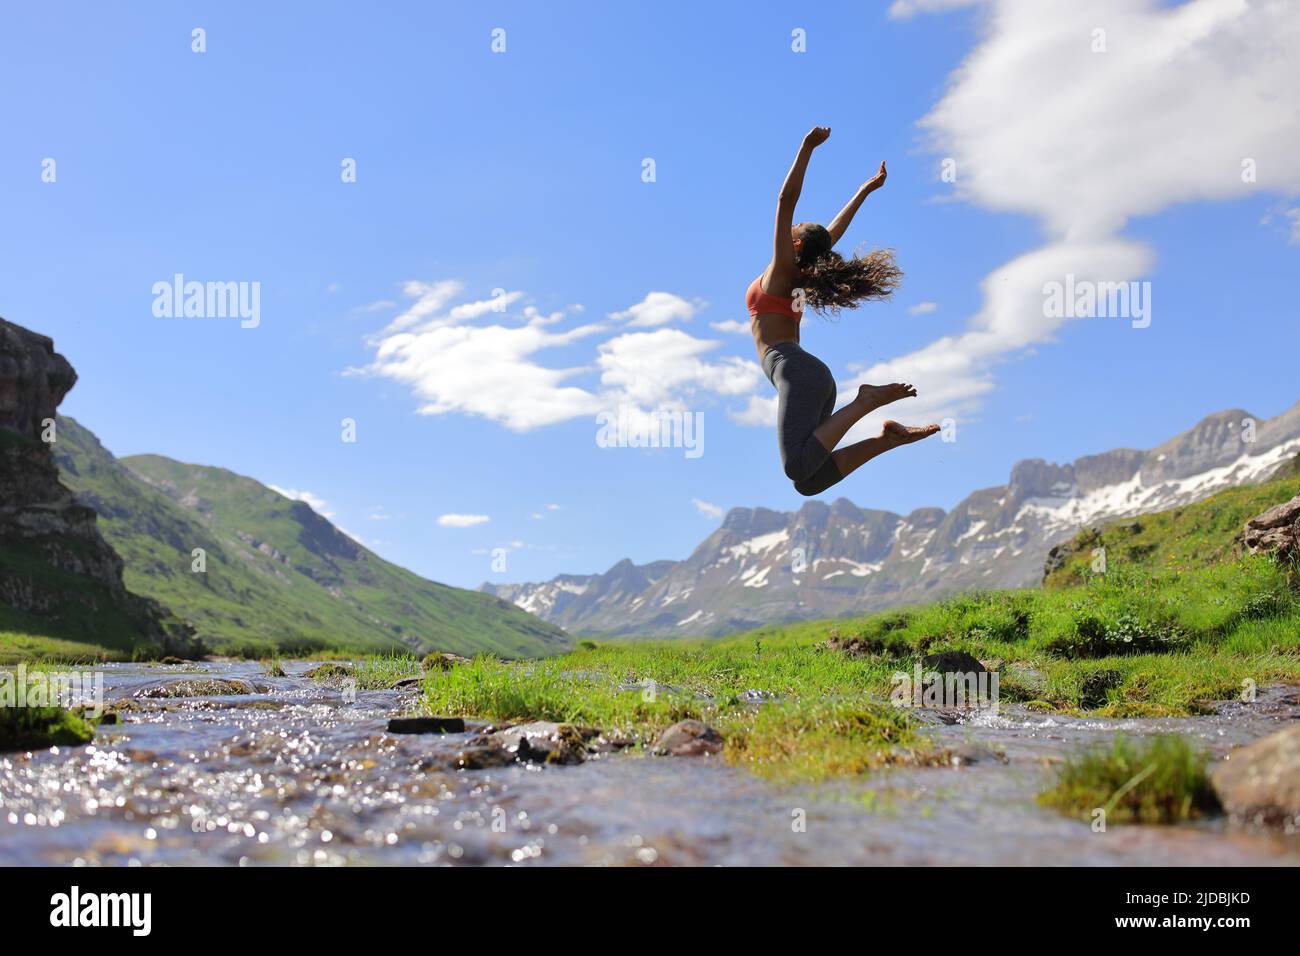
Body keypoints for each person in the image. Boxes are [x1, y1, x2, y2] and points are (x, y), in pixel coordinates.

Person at [748, 126, 939, 497]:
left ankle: (866, 401)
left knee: (795, 467)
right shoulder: (803, 272)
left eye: (794, 228)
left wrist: (806, 148)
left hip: (796, 371)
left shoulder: (783, 271)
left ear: (795, 242)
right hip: (811, 376)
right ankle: (887, 440)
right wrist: (864, 191)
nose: (789, 224)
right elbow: (829, 234)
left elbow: (785, 200)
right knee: (809, 480)